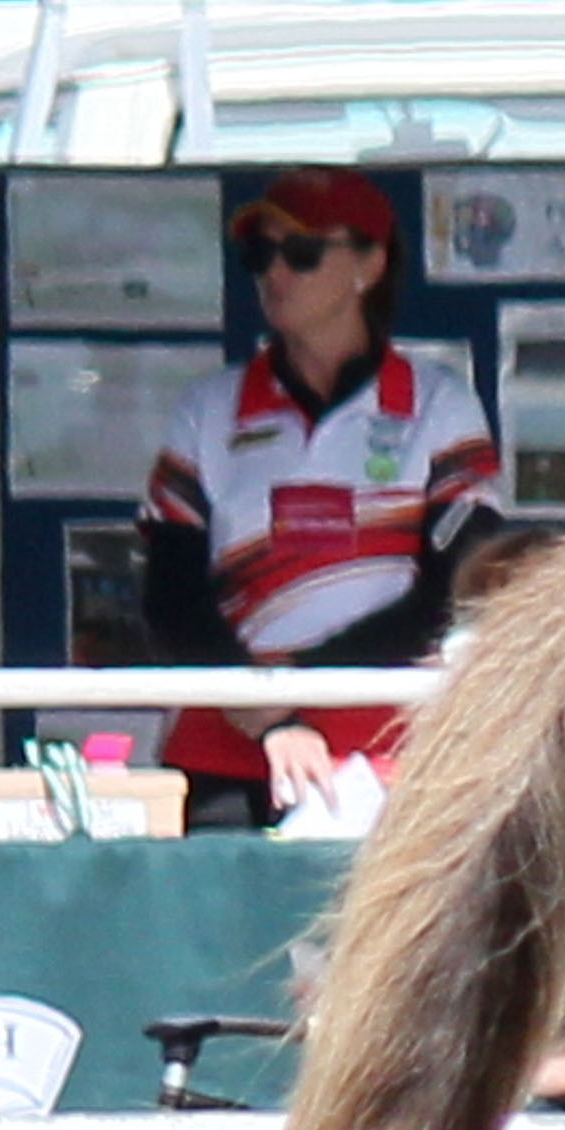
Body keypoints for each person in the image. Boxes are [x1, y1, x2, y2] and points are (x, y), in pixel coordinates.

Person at [139, 172, 499, 833]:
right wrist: (273, 715)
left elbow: (457, 590)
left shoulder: (439, 405)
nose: (275, 273)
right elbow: (170, 600)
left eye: (301, 253)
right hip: (229, 741)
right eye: (260, 255)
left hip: (390, 745)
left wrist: (302, 689)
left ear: (370, 264)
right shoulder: (208, 410)